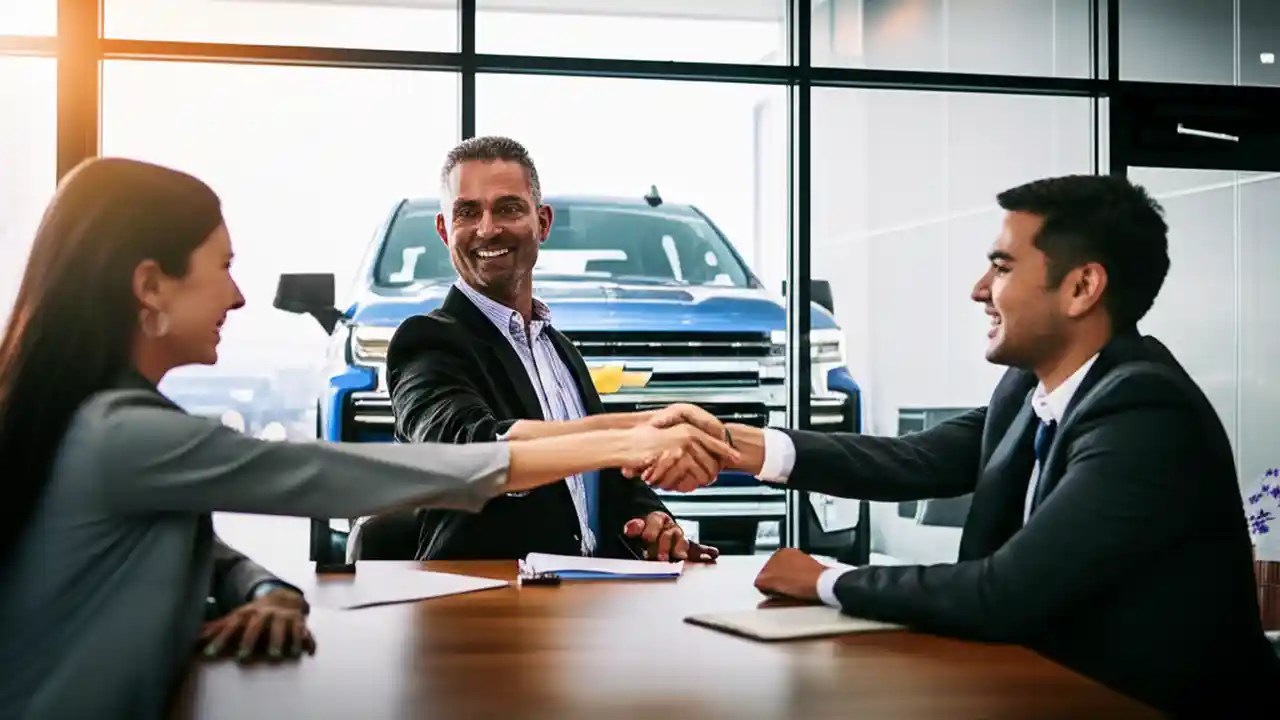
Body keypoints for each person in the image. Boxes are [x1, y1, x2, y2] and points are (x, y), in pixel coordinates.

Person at [0, 157, 736, 720]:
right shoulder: (123, 435)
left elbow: (205, 549)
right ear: (151, 286)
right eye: (222, 267)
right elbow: (357, 473)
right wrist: (626, 435)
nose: (238, 295)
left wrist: (268, 589)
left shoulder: (99, 425)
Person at [647, 174, 1280, 715]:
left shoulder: (1144, 413)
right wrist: (739, 444)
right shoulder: (1029, 390)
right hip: (1039, 689)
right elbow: (917, 459)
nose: (979, 289)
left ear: (1083, 287)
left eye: (1002, 267)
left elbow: (1004, 594)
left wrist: (825, 580)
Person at [386, 136, 721, 562]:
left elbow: (607, 474)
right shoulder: (427, 341)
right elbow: (470, 451)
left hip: (590, 600)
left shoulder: (559, 349)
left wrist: (651, 517)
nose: (487, 229)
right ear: (444, 230)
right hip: (485, 601)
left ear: (542, 222)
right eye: (467, 212)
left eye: (508, 208)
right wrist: (641, 431)